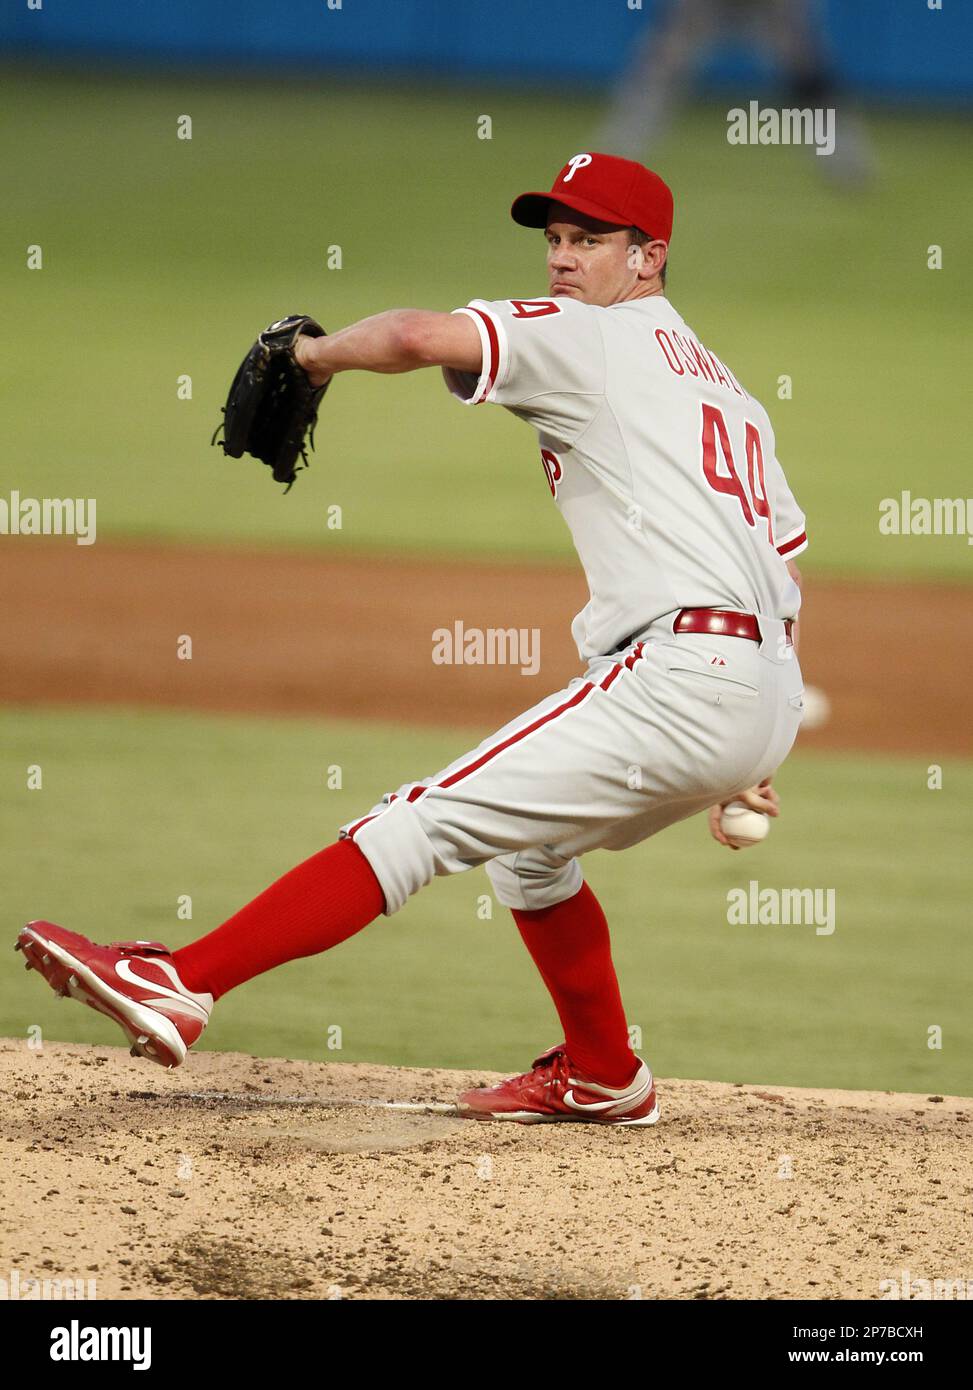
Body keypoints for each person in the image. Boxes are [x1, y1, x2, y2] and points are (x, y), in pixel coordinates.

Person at [17, 153, 807, 1127]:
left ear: (648, 257)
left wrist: (308, 358)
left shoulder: (590, 337)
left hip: (679, 676)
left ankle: (179, 980)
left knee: (418, 820)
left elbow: (414, 334)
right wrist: (751, 752)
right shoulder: (727, 389)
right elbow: (784, 571)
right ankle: (605, 1071)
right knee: (531, 856)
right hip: (761, 686)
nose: (561, 259)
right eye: (553, 238)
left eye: (587, 240)